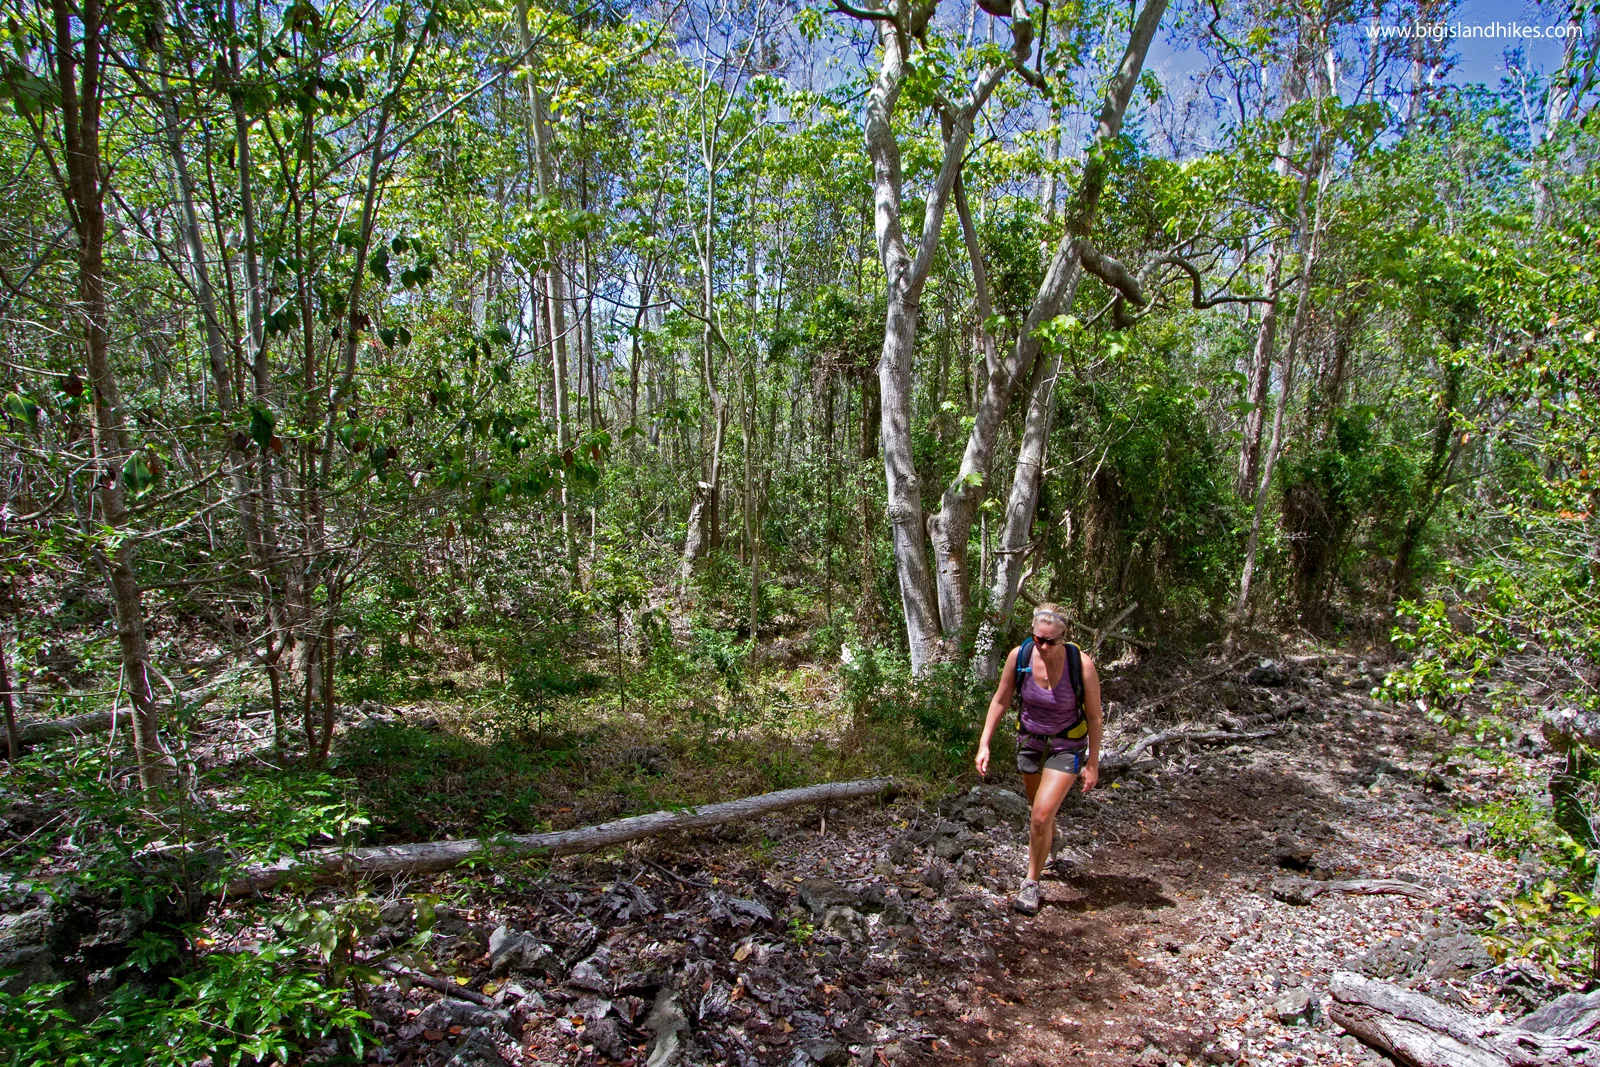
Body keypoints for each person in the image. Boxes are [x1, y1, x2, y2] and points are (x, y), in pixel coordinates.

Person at [974, 603, 1102, 915]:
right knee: (1039, 812)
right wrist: (984, 743)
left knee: (1041, 815)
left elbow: (1096, 717)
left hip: (1067, 745)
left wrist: (1092, 763)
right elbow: (1002, 699)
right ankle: (1054, 838)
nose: (1042, 646)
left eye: (1050, 641)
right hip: (1030, 742)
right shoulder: (1020, 656)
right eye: (1037, 638)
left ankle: (1031, 883)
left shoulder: (1080, 664)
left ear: (1064, 637)